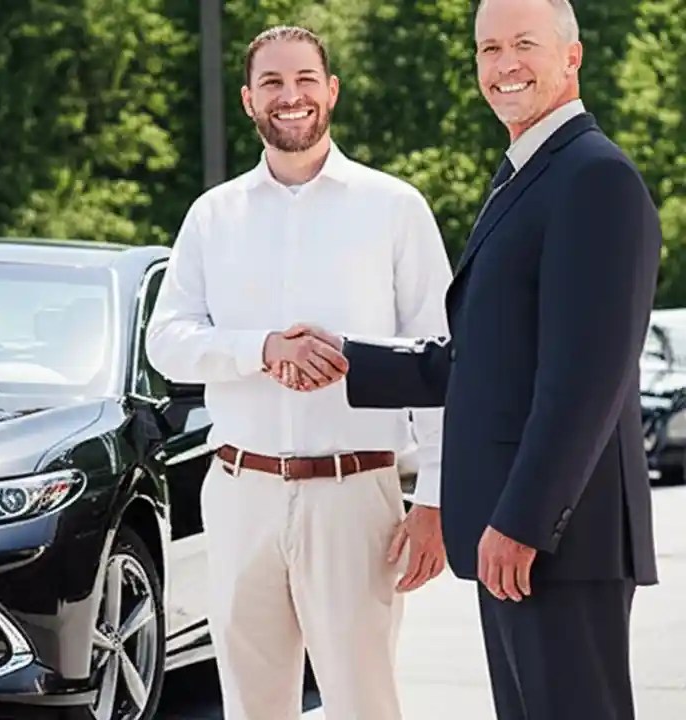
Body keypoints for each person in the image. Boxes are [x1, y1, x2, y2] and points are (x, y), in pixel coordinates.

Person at [281, 1, 662, 718]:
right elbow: (487, 361)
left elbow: (585, 382)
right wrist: (350, 359)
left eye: (524, 44)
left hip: (557, 542)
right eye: (489, 48)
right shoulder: (529, 173)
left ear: (572, 58)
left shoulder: (594, 178)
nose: (504, 65)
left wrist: (523, 522)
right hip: (515, 538)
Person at [145, 25, 452, 720]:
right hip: (239, 493)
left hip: (355, 495)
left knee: (362, 701)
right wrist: (261, 349)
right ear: (250, 100)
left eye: (306, 80)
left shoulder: (393, 207)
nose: (292, 98)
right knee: (253, 705)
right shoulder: (212, 215)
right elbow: (167, 341)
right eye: (274, 84)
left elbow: (440, 361)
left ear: (331, 90)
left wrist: (434, 499)